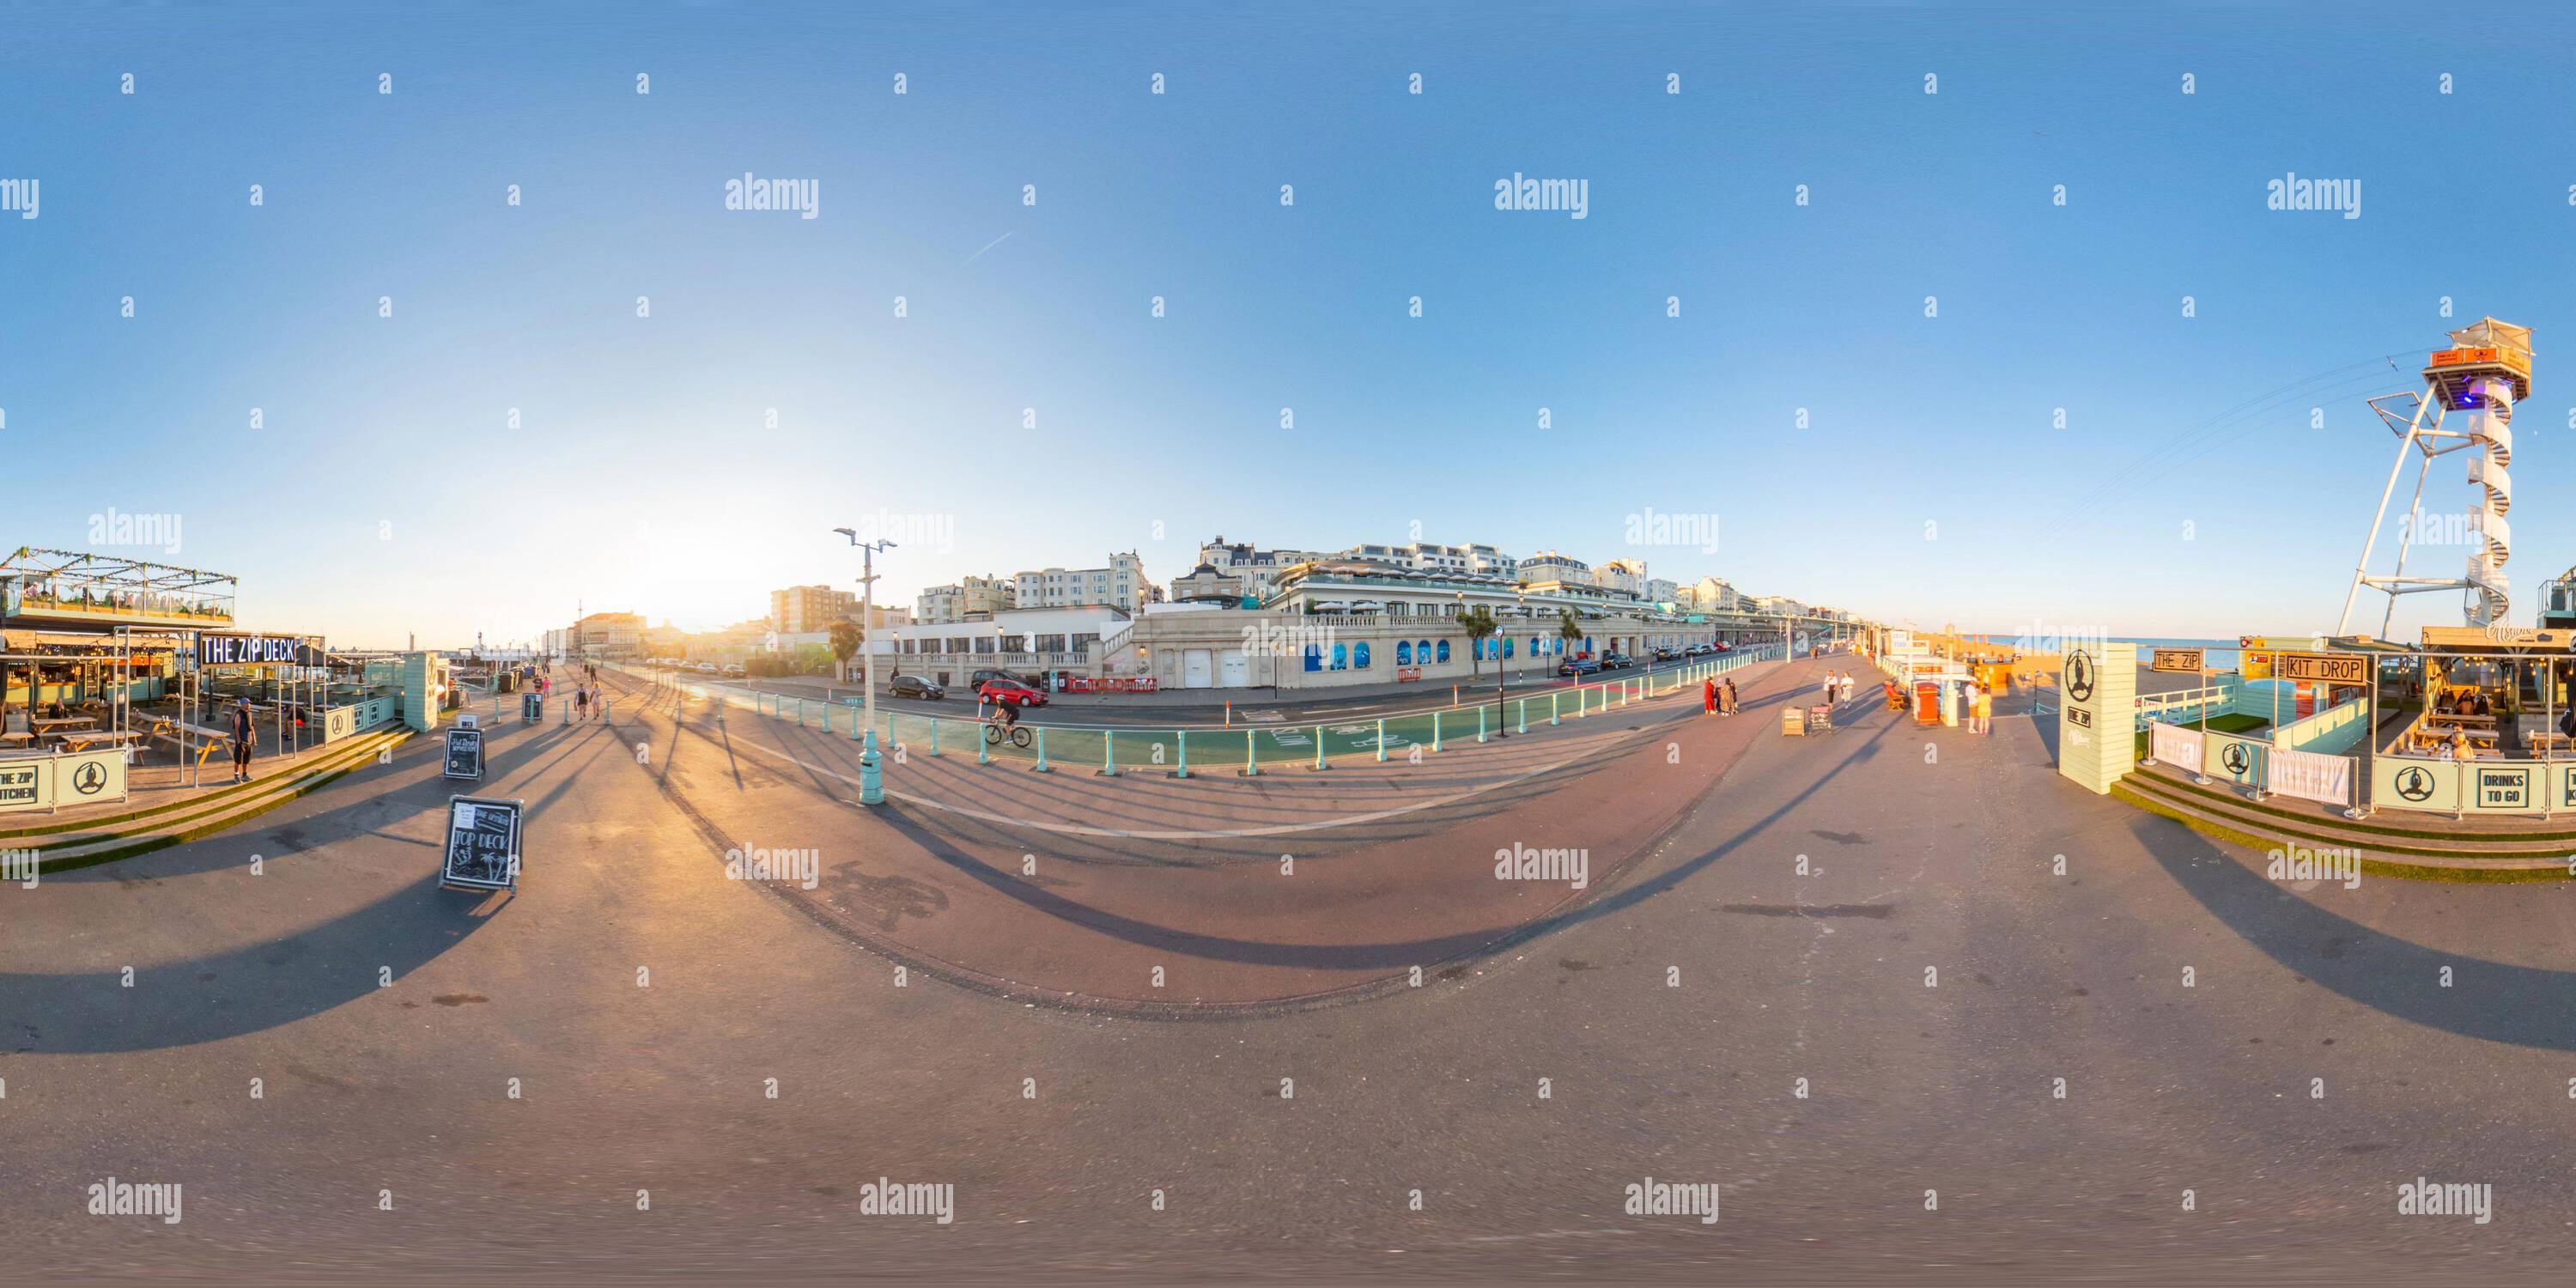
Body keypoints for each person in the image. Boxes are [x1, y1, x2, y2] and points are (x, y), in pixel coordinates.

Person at [228, 697, 256, 784]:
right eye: (247, 704)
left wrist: (254, 738)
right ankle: (236, 776)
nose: (249, 705)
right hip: (241, 741)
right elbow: (236, 728)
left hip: (249, 740)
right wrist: (239, 740)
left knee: (247, 759)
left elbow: (252, 726)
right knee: (238, 760)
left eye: (249, 703)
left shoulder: (250, 713)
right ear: (242, 705)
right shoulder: (238, 714)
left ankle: (245, 775)